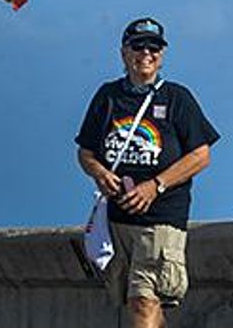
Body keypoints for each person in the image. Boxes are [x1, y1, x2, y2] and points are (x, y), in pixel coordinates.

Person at [76, 18, 219, 328]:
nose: (146, 53)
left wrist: (156, 186)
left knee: (143, 301)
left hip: (160, 220)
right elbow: (85, 152)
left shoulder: (177, 98)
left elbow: (201, 154)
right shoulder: (108, 96)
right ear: (124, 52)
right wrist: (99, 172)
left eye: (154, 47)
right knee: (142, 304)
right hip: (116, 223)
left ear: (162, 54)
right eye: (138, 46)